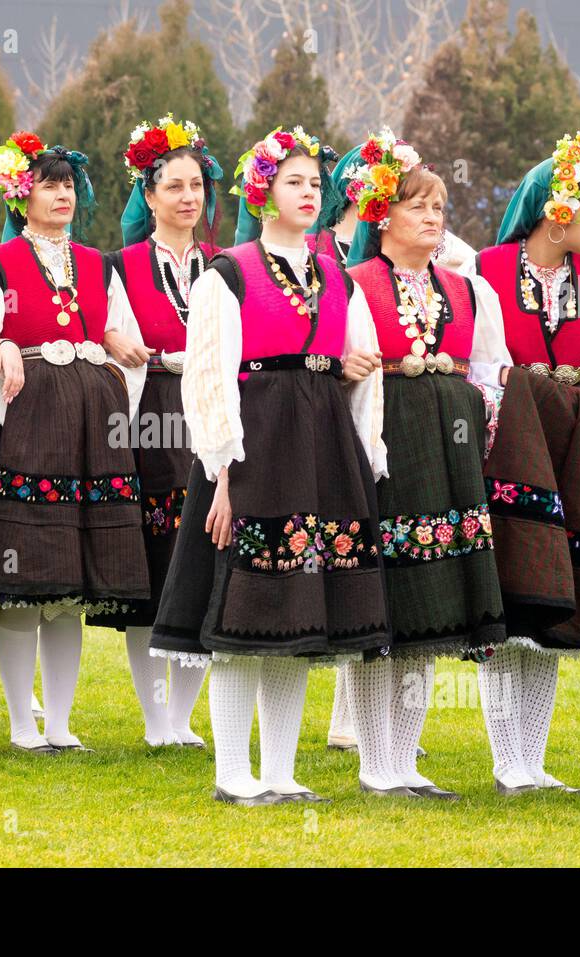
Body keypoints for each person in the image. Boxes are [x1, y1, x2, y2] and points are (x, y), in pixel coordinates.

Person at [150, 126, 389, 804]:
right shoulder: (229, 274)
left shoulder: (336, 276)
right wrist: (223, 472)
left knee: (296, 613)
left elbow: (359, 367)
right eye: (295, 182)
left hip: (317, 450)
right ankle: (233, 773)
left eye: (316, 183)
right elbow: (210, 376)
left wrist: (362, 449)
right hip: (252, 454)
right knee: (243, 613)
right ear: (262, 193)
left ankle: (280, 772)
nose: (310, 192)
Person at [0, 130, 151, 754]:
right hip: (28, 431)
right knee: (24, 581)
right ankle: (22, 722)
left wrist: (114, 384)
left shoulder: (100, 265)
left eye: (68, 183)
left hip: (91, 433)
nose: (63, 194)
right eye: (49, 183)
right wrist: (12, 393)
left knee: (68, 587)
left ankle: (62, 723)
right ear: (23, 194)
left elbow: (123, 339)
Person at [343, 129, 512, 799]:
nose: (434, 218)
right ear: (383, 215)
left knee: (431, 605)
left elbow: (489, 367)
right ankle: (373, 762)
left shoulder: (466, 290)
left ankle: (405, 758)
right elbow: (344, 368)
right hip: (388, 446)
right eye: (418, 206)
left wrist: (481, 414)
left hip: (450, 449)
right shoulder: (354, 284)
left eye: (439, 207)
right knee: (384, 605)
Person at [471, 132, 580, 794]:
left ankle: (531, 761)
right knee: (517, 591)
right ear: (557, 213)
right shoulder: (485, 271)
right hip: (510, 448)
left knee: (553, 598)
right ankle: (507, 759)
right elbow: (480, 362)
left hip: (575, 446)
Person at [86, 114, 223, 748]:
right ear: (149, 194)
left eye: (196, 185)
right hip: (151, 410)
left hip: (213, 406)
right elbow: (95, 324)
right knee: (155, 565)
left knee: (203, 557)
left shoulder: (227, 264)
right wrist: (114, 336)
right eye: (174, 186)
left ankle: (184, 716)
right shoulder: (121, 265)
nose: (188, 197)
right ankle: (155, 717)